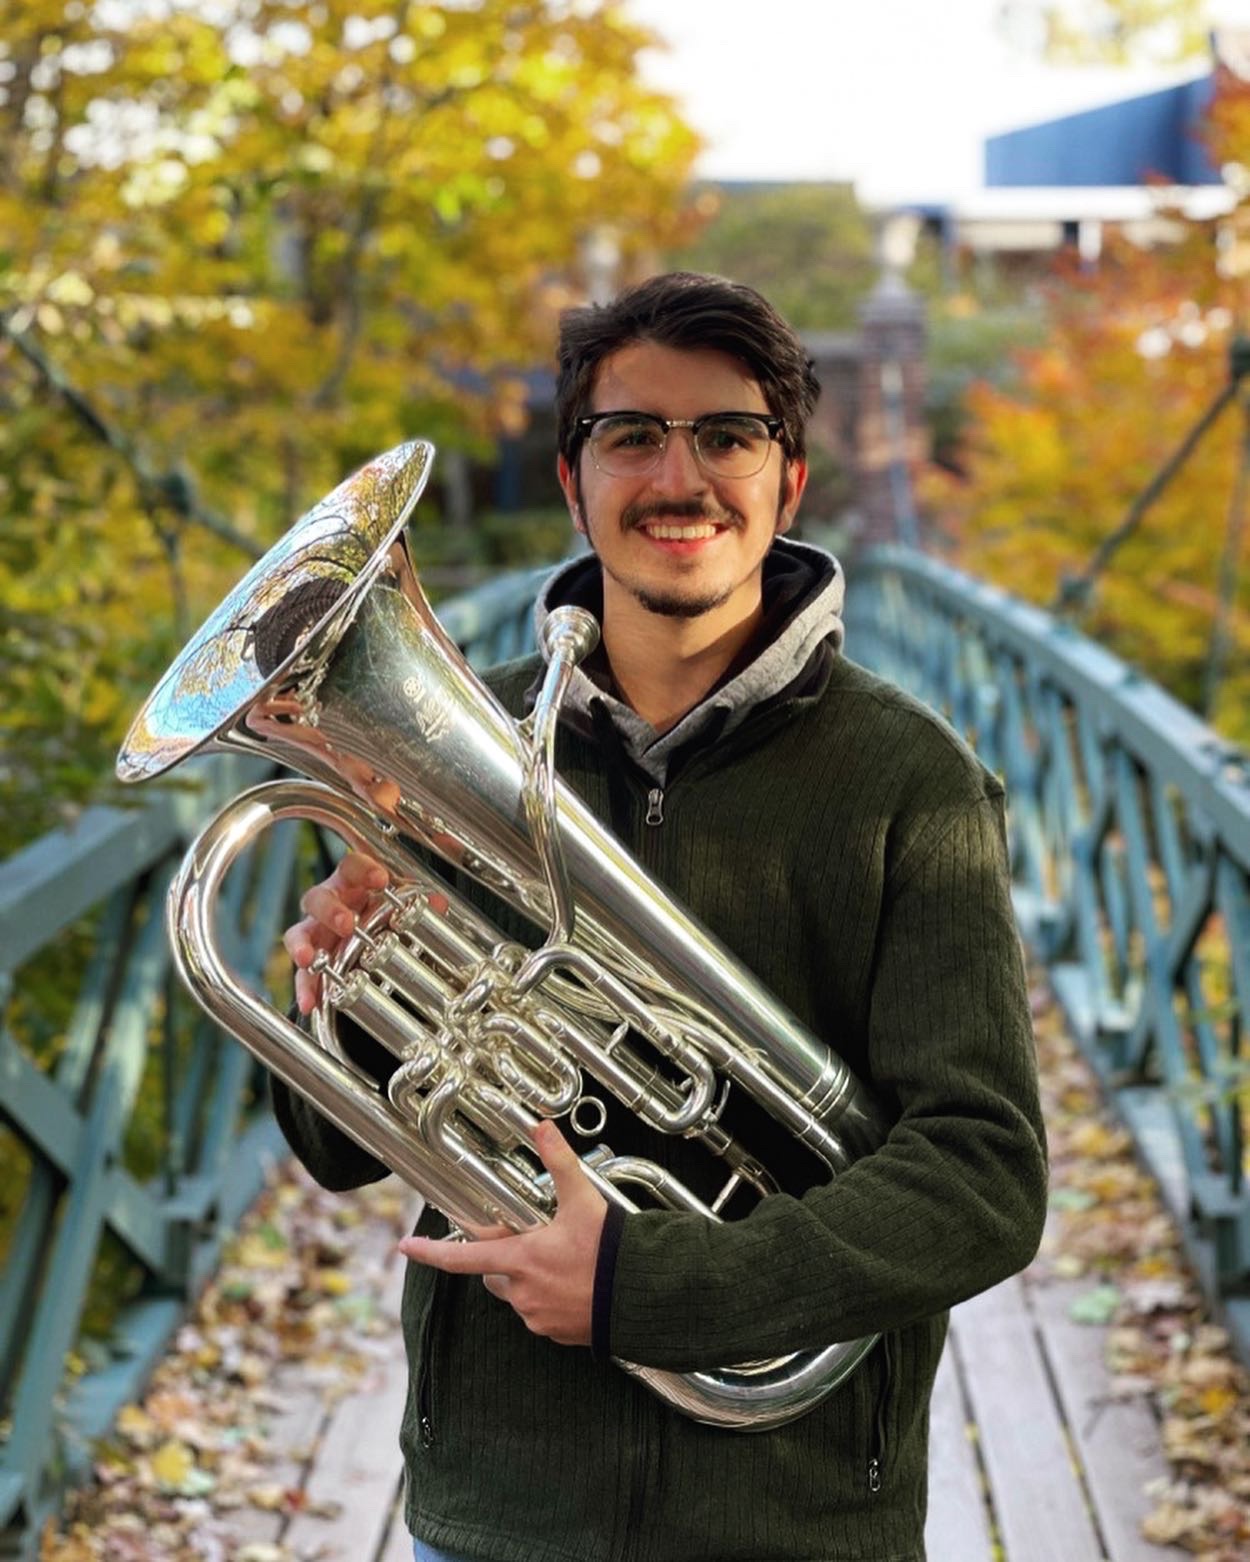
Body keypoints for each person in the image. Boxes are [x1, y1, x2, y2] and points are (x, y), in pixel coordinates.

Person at [273, 271, 1048, 1562]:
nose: (676, 477)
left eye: (726, 435)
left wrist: (645, 1289)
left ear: (788, 480)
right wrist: (341, 998)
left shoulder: (911, 782)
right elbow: (343, 1147)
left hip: (797, 1519)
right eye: (630, 434)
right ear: (574, 482)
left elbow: (982, 1176)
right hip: (498, 1512)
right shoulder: (443, 737)